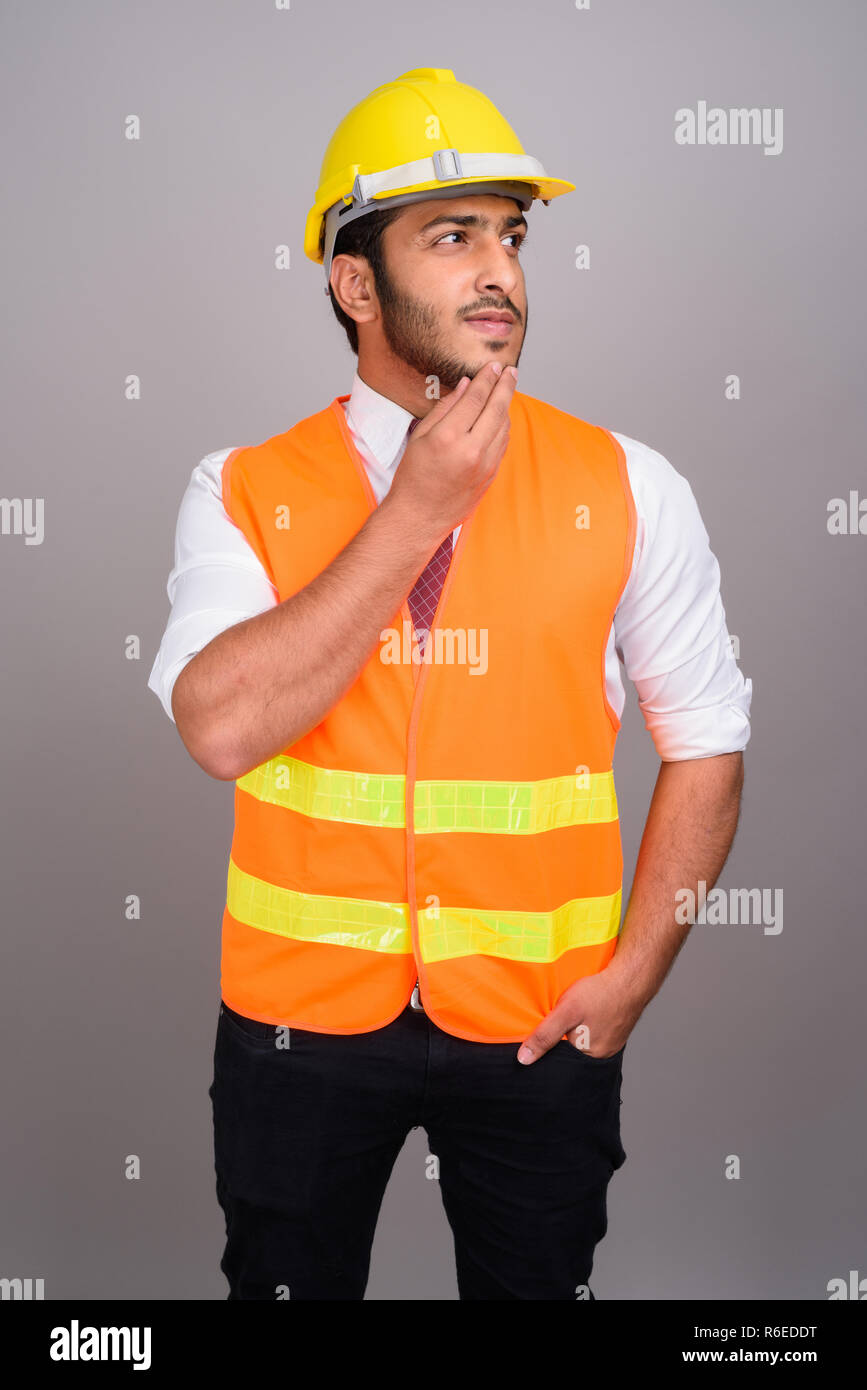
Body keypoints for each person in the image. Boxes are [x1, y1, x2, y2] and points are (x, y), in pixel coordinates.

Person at [148, 68, 752, 1300]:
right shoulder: (242, 489)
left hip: (540, 1028)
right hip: (296, 1028)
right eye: (452, 235)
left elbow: (710, 743)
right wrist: (414, 512)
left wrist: (634, 975)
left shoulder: (631, 485)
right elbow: (218, 725)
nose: (501, 272)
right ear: (354, 283)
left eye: (511, 236)